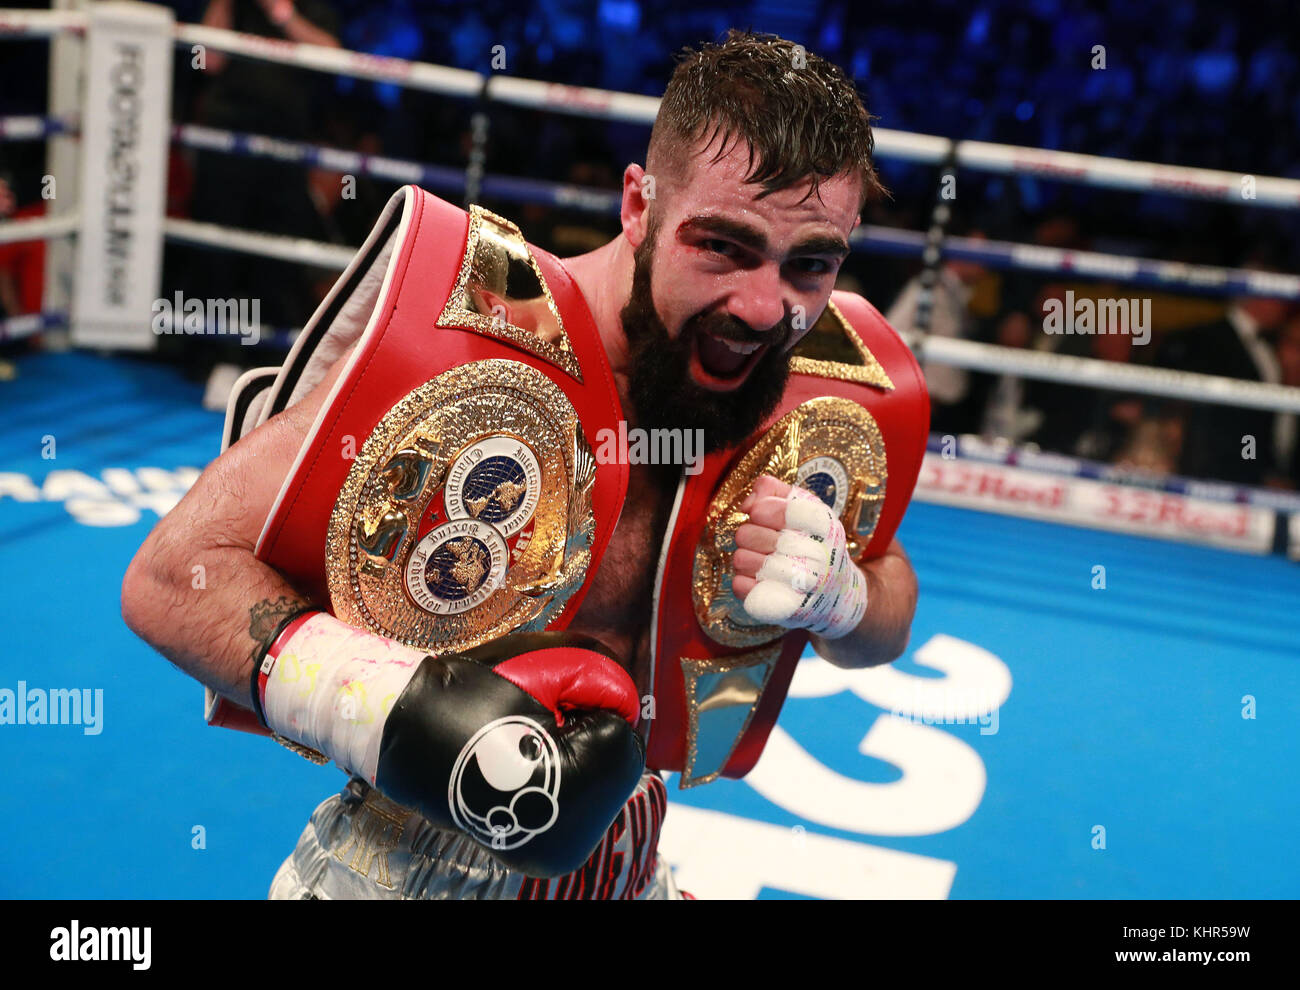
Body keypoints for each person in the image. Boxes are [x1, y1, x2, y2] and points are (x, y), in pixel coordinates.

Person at [123, 31, 928, 900]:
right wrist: (398, 709)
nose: (766, 306)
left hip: (628, 857)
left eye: (809, 265)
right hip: (411, 867)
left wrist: (841, 593)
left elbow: (890, 601)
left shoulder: (800, 396)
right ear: (638, 205)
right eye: (723, 248)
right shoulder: (473, 346)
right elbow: (173, 577)